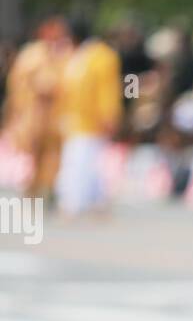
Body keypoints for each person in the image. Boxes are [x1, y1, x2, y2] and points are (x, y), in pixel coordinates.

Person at [54, 18, 123, 215]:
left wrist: (109, 115)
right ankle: (93, 201)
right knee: (85, 162)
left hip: (92, 121)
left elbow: (108, 89)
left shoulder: (102, 56)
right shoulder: (75, 56)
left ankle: (75, 203)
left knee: (82, 162)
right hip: (74, 120)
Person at [3, 15, 71, 201]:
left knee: (52, 157)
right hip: (32, 117)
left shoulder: (62, 53)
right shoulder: (32, 54)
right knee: (32, 157)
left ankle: (47, 191)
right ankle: (32, 191)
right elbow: (24, 84)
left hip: (55, 118)